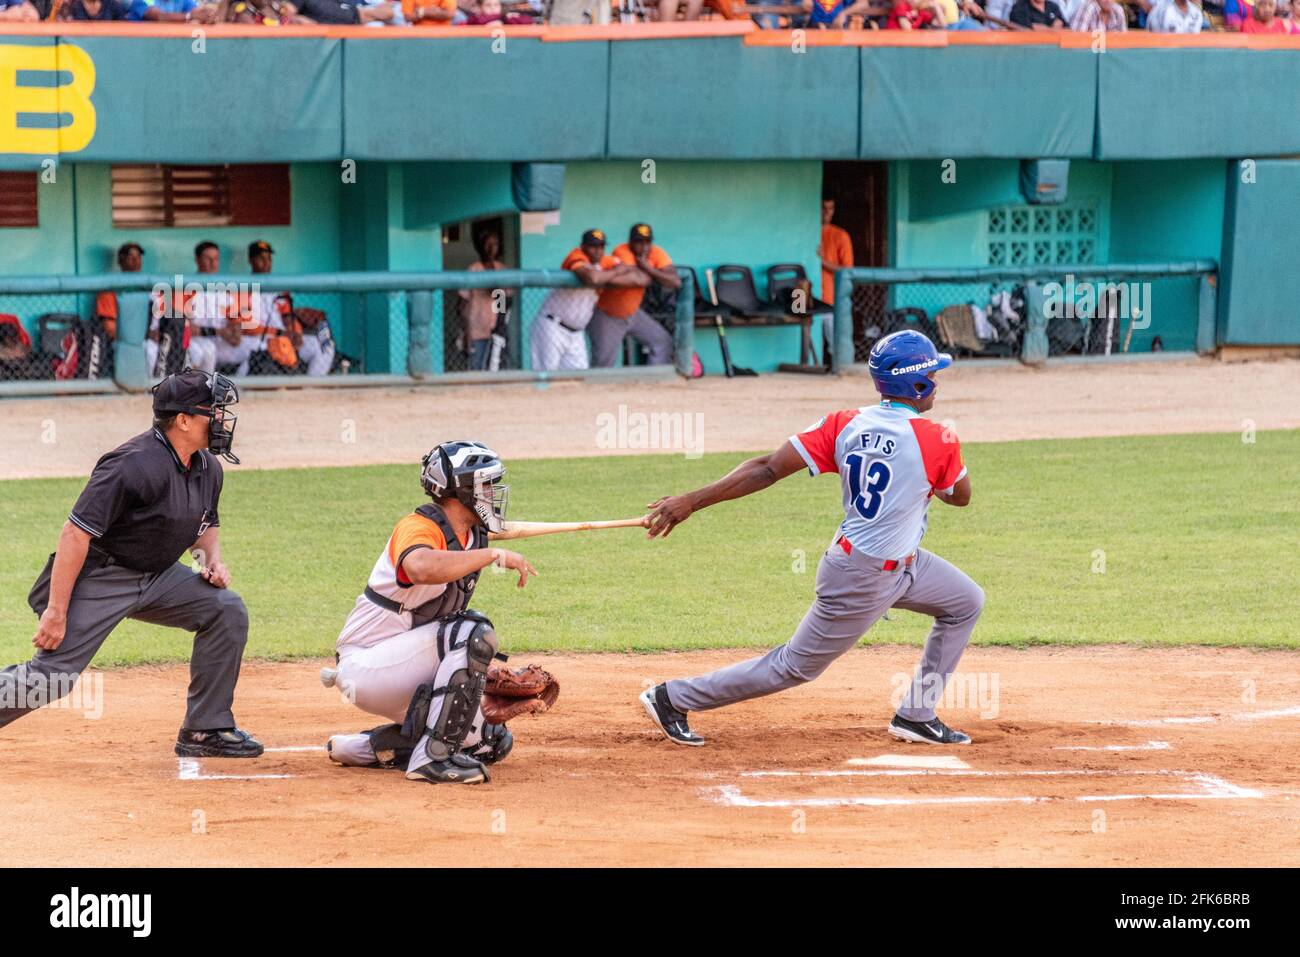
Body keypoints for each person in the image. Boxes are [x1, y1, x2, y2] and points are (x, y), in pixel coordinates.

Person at [639, 330, 984, 748]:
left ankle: (916, 714)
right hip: (863, 577)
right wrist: (935, 477)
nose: (937, 380)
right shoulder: (937, 438)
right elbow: (960, 498)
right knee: (793, 667)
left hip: (901, 564)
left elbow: (766, 468)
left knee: (965, 601)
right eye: (932, 373)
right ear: (917, 383)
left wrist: (692, 500)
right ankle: (672, 697)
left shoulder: (844, 423)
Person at [1, 370, 262, 758]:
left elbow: (203, 524)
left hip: (158, 576)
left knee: (225, 609)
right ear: (184, 420)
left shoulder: (207, 467)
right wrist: (56, 611)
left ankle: (205, 730)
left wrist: (211, 563)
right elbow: (75, 534)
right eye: (214, 411)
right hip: (102, 576)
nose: (222, 420)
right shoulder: (131, 464)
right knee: (53, 678)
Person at [322, 441, 538, 785]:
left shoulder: (470, 536)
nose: (493, 493)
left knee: (489, 743)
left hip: (406, 667)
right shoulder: (417, 527)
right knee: (473, 631)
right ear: (461, 491)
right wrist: (492, 555)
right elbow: (420, 566)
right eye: (486, 485)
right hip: (366, 668)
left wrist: (479, 682)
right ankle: (432, 759)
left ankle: (364, 748)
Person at [529, 229, 639, 372]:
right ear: (583, 247)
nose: (598, 251)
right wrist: (614, 273)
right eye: (593, 246)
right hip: (552, 326)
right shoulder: (576, 256)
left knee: (578, 379)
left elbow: (629, 269)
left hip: (576, 333)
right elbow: (593, 278)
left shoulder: (605, 261)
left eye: (601, 247)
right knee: (545, 379)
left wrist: (608, 275)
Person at [588, 223, 678, 368]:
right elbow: (638, 280)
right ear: (630, 242)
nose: (644, 248)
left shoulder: (656, 252)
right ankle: (596, 390)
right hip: (608, 314)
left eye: (647, 242)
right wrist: (653, 274)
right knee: (603, 363)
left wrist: (650, 270)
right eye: (639, 242)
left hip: (633, 313)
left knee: (662, 342)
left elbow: (675, 281)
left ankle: (652, 383)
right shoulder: (622, 251)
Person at [459, 228, 509, 371]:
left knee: (495, 367)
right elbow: (462, 303)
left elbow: (502, 302)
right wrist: (465, 331)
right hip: (476, 329)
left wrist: (501, 326)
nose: (491, 248)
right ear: (481, 246)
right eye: (488, 244)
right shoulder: (474, 269)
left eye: (495, 244)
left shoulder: (501, 269)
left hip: (495, 329)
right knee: (476, 367)